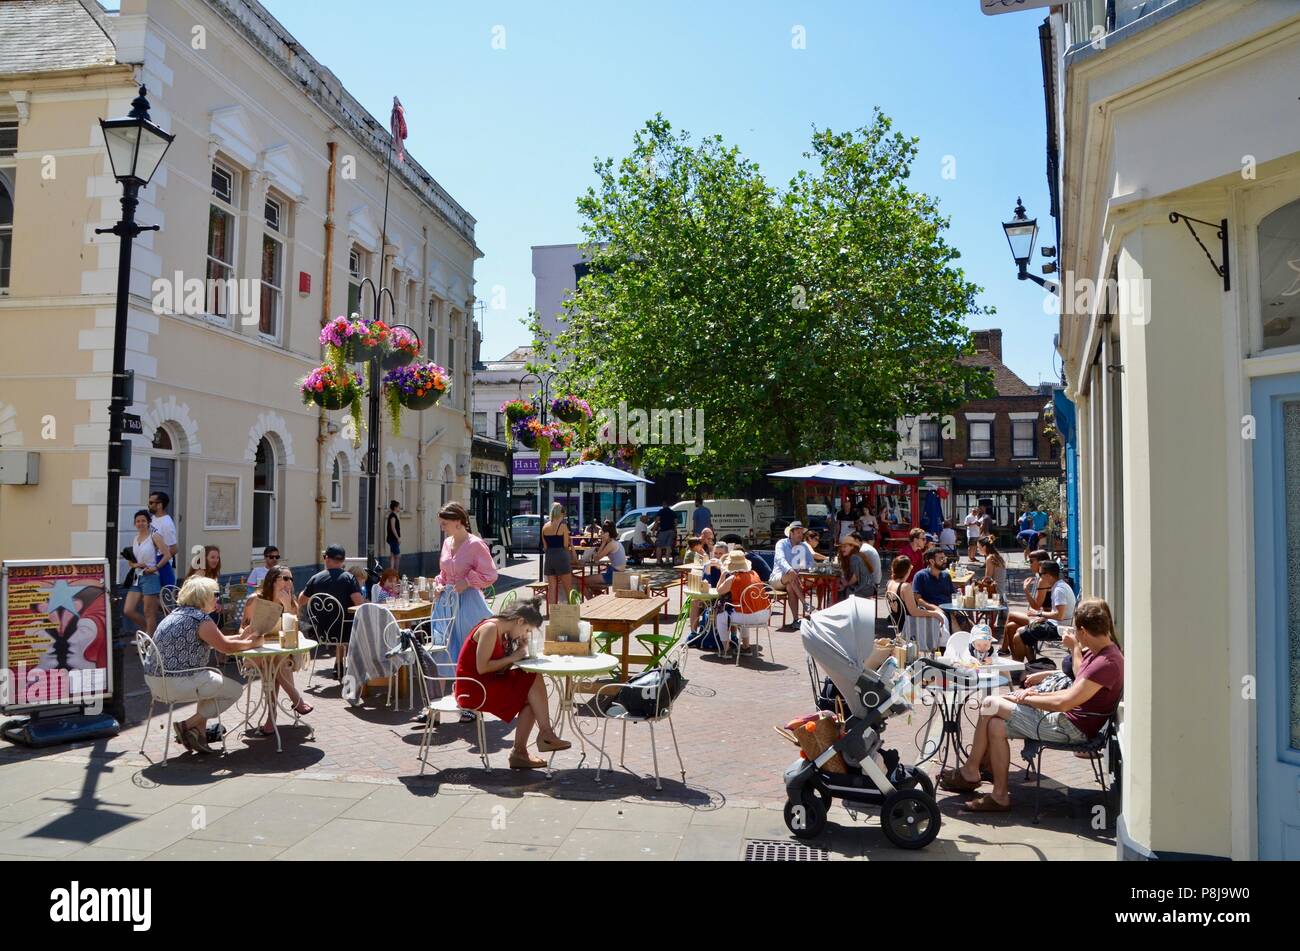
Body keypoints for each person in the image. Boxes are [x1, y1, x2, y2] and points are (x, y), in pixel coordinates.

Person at [938, 598, 1122, 812]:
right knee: (995, 725)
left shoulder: (1105, 663)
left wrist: (1027, 699)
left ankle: (971, 771)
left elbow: (1065, 703)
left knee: (989, 703)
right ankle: (999, 796)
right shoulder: (1104, 654)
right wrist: (1032, 695)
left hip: (1070, 728)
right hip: (1068, 721)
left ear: (1084, 631)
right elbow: (1074, 692)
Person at [146, 576, 266, 753]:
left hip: (156, 682)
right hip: (178, 682)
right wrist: (251, 644)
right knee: (234, 690)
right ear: (204, 596)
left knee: (211, 685)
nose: (217, 598)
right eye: (215, 594)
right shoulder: (200, 619)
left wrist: (242, 638)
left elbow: (219, 640)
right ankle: (187, 725)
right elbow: (225, 647)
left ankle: (198, 734)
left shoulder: (177, 614)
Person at [455, 598, 571, 769]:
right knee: (532, 680)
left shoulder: (501, 632)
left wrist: (516, 653)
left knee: (531, 693)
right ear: (520, 621)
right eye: (526, 630)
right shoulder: (490, 628)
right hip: (474, 689)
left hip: (486, 683)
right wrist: (512, 657)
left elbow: (498, 667)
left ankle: (523, 751)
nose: (524, 634)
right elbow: (482, 667)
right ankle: (542, 736)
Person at [433, 501, 499, 708]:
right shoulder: (447, 543)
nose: (442, 527)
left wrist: (469, 581)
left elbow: (491, 574)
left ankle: (470, 703)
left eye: (445, 523)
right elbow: (444, 573)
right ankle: (434, 706)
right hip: (446, 602)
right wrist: (439, 584)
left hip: (469, 602)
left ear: (458, 522)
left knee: (467, 651)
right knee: (440, 648)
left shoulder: (475, 544)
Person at [242, 565, 313, 734]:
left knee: (277, 661)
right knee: (276, 661)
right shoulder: (255, 600)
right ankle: (296, 700)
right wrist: (250, 632)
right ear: (273, 581)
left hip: (282, 650)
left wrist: (287, 607)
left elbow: (292, 632)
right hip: (257, 649)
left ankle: (271, 718)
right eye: (285, 578)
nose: (289, 582)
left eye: (291, 579)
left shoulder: (291, 602)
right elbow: (242, 628)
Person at [298, 544, 365, 677]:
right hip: (343, 632)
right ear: (342, 561)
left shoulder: (315, 578)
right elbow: (359, 604)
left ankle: (338, 664)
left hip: (320, 632)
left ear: (327, 559)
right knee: (354, 622)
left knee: (341, 622)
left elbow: (301, 601)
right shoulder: (348, 578)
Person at [1007, 561, 1076, 662]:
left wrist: (1039, 613)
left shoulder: (1059, 590)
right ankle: (1030, 664)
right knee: (1012, 627)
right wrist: (1044, 617)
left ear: (1048, 575)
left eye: (1040, 574)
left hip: (1059, 629)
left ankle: (1020, 669)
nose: (1039, 577)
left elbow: (1060, 615)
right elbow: (1058, 613)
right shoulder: (1060, 586)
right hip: (1055, 625)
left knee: (1018, 636)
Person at [124, 509, 171, 637]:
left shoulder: (154, 536)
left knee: (149, 612)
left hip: (150, 577)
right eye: (138, 521)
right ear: (135, 524)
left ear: (148, 522)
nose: (140, 523)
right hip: (137, 577)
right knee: (128, 610)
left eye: (143, 521)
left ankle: (150, 641)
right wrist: (134, 564)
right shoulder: (136, 538)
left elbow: (167, 555)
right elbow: (132, 561)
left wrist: (155, 567)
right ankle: (151, 632)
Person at [714, 550, 770, 657]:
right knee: (744, 609)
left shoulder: (732, 578)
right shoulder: (754, 574)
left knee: (720, 616)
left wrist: (722, 575)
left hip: (749, 616)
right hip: (764, 613)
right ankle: (746, 647)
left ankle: (726, 650)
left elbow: (719, 591)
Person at [885, 555, 948, 649]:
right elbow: (913, 611)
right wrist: (934, 614)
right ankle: (941, 647)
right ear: (907, 570)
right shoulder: (905, 587)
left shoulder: (889, 583)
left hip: (897, 621)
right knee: (941, 617)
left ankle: (941, 647)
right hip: (908, 624)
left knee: (938, 616)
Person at [1001, 549, 1053, 655]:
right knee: (1011, 626)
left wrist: (1025, 590)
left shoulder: (1043, 579)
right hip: (1042, 616)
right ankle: (1015, 658)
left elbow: (1036, 607)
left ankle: (1004, 649)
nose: (1029, 564)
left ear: (1040, 562)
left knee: (1011, 615)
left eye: (1031, 561)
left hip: (1046, 619)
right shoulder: (1041, 577)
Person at [770, 522, 814, 630]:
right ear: (791, 533)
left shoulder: (804, 546)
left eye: (801, 533)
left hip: (792, 581)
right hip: (777, 579)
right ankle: (805, 603)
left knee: (790, 585)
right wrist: (790, 569)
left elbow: (811, 563)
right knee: (790, 575)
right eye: (798, 532)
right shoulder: (781, 543)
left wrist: (804, 568)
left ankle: (795, 620)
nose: (801, 535)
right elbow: (780, 559)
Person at [541, 502, 574, 603]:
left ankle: (552, 613)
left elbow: (545, 547)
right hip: (561, 557)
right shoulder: (563, 526)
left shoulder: (544, 527)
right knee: (568, 587)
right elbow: (565, 545)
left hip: (549, 558)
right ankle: (571, 611)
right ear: (561, 514)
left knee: (552, 587)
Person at [148, 491, 179, 590]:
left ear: (160, 505)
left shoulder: (167, 524)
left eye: (151, 502)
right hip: (151, 563)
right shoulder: (153, 518)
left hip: (162, 566)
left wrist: (159, 562)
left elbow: (174, 549)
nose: (149, 505)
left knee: (161, 599)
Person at [187, 545, 224, 627]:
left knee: (221, 613)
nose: (215, 560)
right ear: (204, 558)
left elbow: (216, 591)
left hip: (207, 605)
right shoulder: (200, 572)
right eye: (212, 557)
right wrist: (213, 604)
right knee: (216, 615)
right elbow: (196, 595)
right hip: (195, 606)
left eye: (217, 557)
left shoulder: (213, 573)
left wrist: (217, 602)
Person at [838, 537, 874, 601]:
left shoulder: (854, 557)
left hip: (864, 588)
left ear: (852, 547)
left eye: (845, 546)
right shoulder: (857, 555)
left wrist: (846, 585)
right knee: (842, 590)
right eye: (841, 547)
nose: (842, 549)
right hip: (869, 587)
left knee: (842, 592)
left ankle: (845, 610)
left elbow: (855, 578)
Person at [593, 520, 627, 585]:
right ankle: (591, 594)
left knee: (583, 580)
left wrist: (603, 542)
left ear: (607, 534)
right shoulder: (616, 542)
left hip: (613, 575)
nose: (601, 535)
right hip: (616, 573)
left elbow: (596, 559)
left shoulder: (611, 544)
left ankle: (589, 595)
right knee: (587, 581)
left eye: (602, 533)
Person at [654, 500, 677, 566]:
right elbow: (675, 523)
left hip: (663, 531)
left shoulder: (661, 511)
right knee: (668, 546)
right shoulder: (672, 512)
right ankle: (667, 561)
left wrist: (653, 531)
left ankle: (658, 561)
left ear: (663, 504)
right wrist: (675, 531)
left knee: (659, 546)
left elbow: (657, 521)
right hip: (671, 531)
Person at [386, 500, 402, 572]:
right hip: (393, 539)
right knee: (398, 556)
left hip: (392, 539)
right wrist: (397, 538)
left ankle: (392, 571)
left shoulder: (393, 515)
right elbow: (393, 527)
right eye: (399, 507)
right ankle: (396, 572)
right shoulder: (393, 516)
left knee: (392, 555)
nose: (400, 508)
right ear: (395, 508)